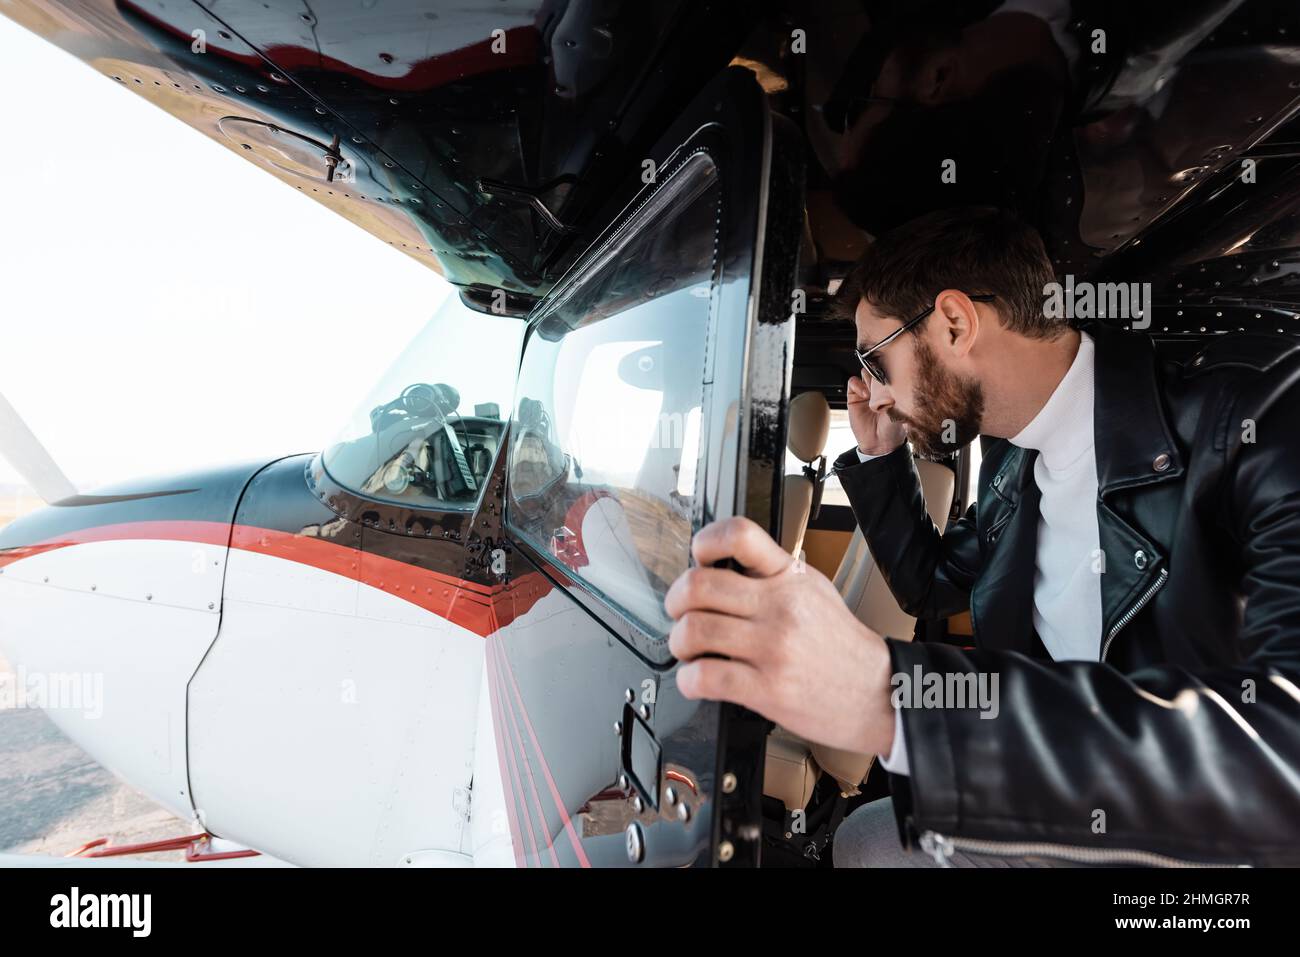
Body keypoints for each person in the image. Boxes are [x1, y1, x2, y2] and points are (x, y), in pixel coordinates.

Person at [664, 205, 1300, 867]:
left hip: (1198, 842)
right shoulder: (1009, 459)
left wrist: (892, 699)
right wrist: (883, 459)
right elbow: (930, 585)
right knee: (867, 839)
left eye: (877, 364)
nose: (874, 395)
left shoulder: (1258, 412)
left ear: (955, 323)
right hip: (1059, 791)